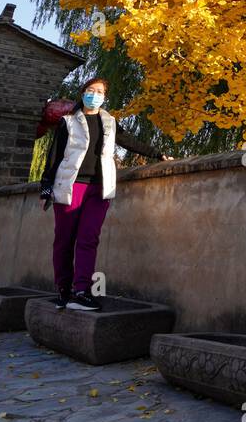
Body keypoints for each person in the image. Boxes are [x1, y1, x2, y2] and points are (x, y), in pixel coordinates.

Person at [38, 77, 171, 311]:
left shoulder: (109, 121)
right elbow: (54, 155)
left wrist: (158, 154)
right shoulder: (67, 122)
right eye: (91, 90)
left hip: (100, 188)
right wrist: (47, 186)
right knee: (64, 241)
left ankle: (81, 292)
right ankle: (63, 290)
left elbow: (128, 140)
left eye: (99, 91)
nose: (95, 95)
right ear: (83, 93)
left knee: (89, 239)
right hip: (71, 185)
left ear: (104, 96)